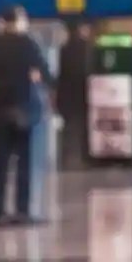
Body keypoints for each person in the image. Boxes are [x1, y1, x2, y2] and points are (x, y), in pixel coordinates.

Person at [0, 6, 51, 226]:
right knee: (24, 164)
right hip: (24, 112)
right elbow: (45, 75)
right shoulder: (29, 45)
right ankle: (22, 210)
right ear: (19, 21)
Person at [55, 19, 92, 170]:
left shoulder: (64, 48)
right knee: (85, 127)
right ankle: (84, 158)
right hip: (85, 93)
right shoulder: (87, 48)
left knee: (69, 128)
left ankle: (66, 159)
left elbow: (61, 74)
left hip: (67, 94)